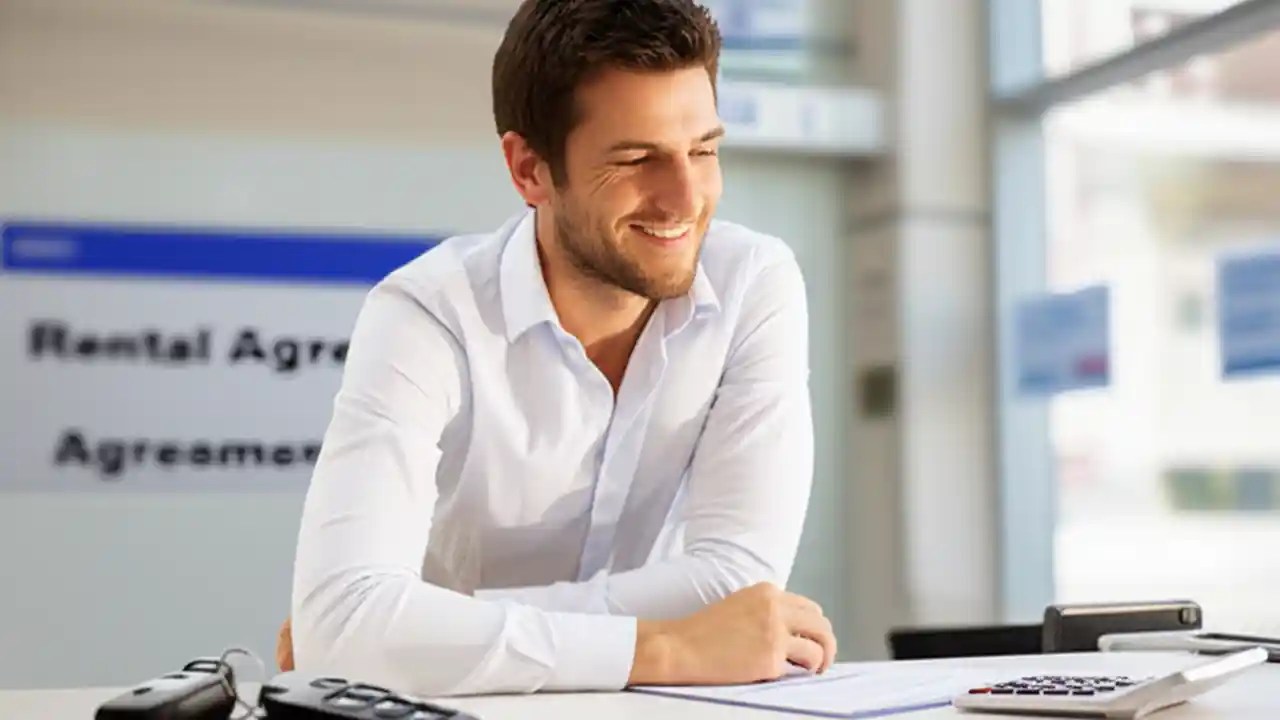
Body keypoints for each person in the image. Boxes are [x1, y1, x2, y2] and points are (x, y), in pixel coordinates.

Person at [283, 0, 836, 697]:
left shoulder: (755, 283)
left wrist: (416, 631)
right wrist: (661, 646)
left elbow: (733, 579)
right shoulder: (425, 315)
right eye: (638, 159)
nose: (686, 198)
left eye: (703, 150)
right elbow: (345, 630)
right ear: (529, 169)